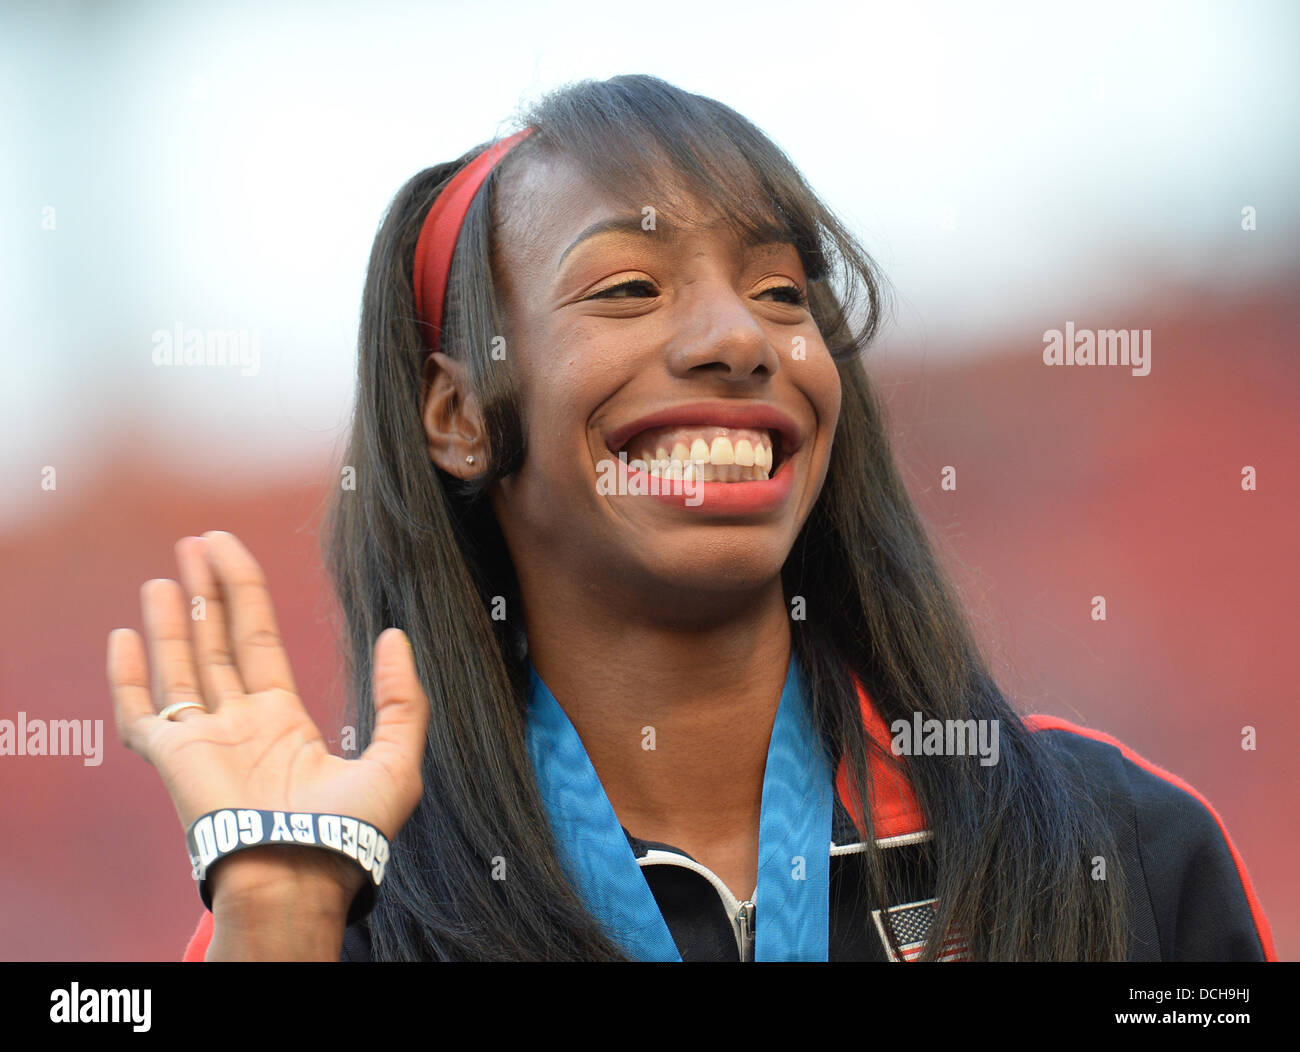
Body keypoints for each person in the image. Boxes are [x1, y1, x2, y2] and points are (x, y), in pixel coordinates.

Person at [107, 74, 1276, 962]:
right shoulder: (342, 909)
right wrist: (277, 909)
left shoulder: (1113, 843)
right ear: (459, 414)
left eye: (781, 291)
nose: (738, 337)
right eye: (626, 288)